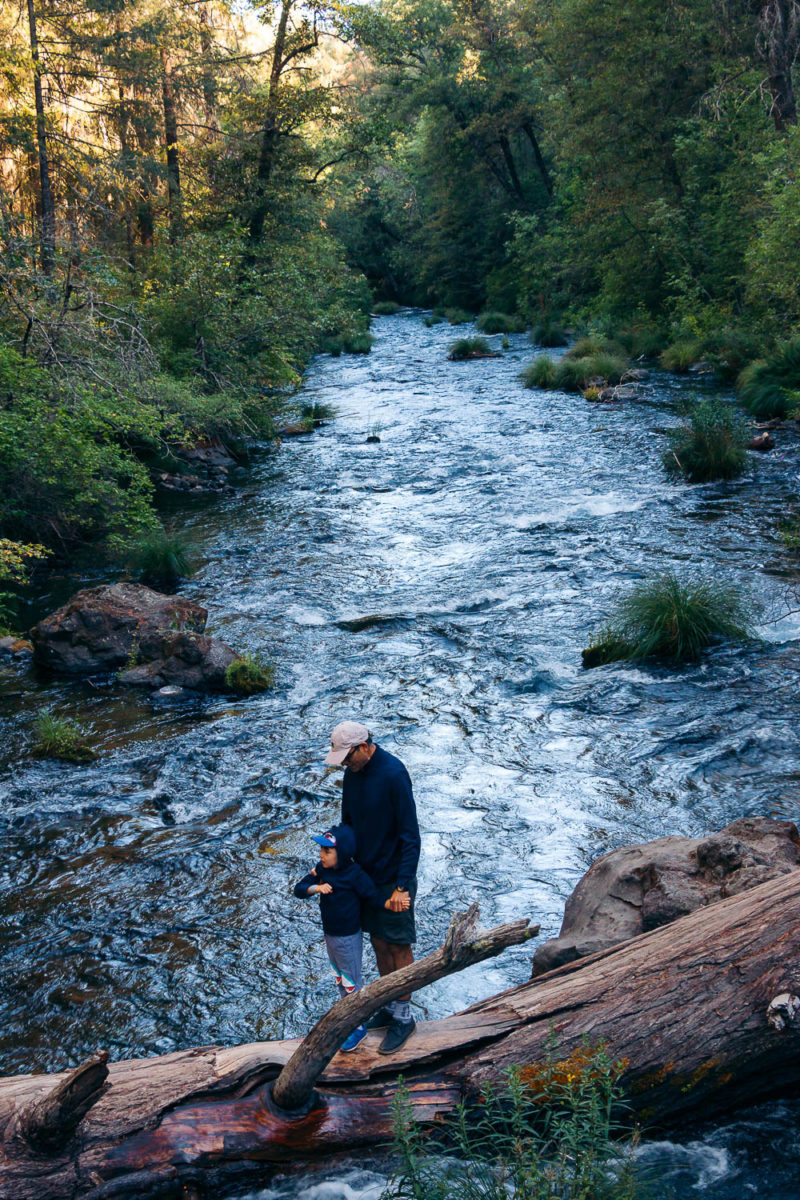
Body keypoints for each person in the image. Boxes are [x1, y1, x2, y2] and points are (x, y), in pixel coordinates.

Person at [325, 720, 421, 1054]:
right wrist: (336, 855)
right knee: (380, 943)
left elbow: (410, 835)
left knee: (398, 944)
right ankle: (391, 1006)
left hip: (394, 878)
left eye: (348, 757)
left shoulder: (393, 774)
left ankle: (405, 1018)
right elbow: (349, 823)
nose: (345, 764)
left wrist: (402, 887)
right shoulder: (352, 774)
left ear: (364, 746)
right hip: (365, 876)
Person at [293, 822, 409, 1053]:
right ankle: (350, 1016)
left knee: (351, 981)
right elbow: (299, 888)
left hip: (347, 936)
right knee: (340, 977)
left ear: (343, 853)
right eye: (321, 850)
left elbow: (371, 894)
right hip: (330, 935)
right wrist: (316, 888)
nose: (321, 855)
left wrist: (389, 903)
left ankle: (357, 1026)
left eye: (327, 851)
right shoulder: (322, 870)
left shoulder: (353, 874)